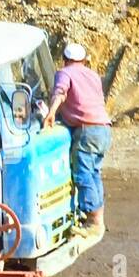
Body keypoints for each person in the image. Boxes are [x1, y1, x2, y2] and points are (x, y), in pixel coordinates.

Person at [43, 42, 111, 237]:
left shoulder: (64, 73)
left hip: (87, 131)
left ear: (65, 59)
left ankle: (92, 223)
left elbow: (60, 93)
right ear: (83, 60)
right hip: (104, 129)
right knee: (94, 173)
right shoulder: (93, 75)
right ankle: (98, 219)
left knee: (83, 175)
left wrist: (51, 113)